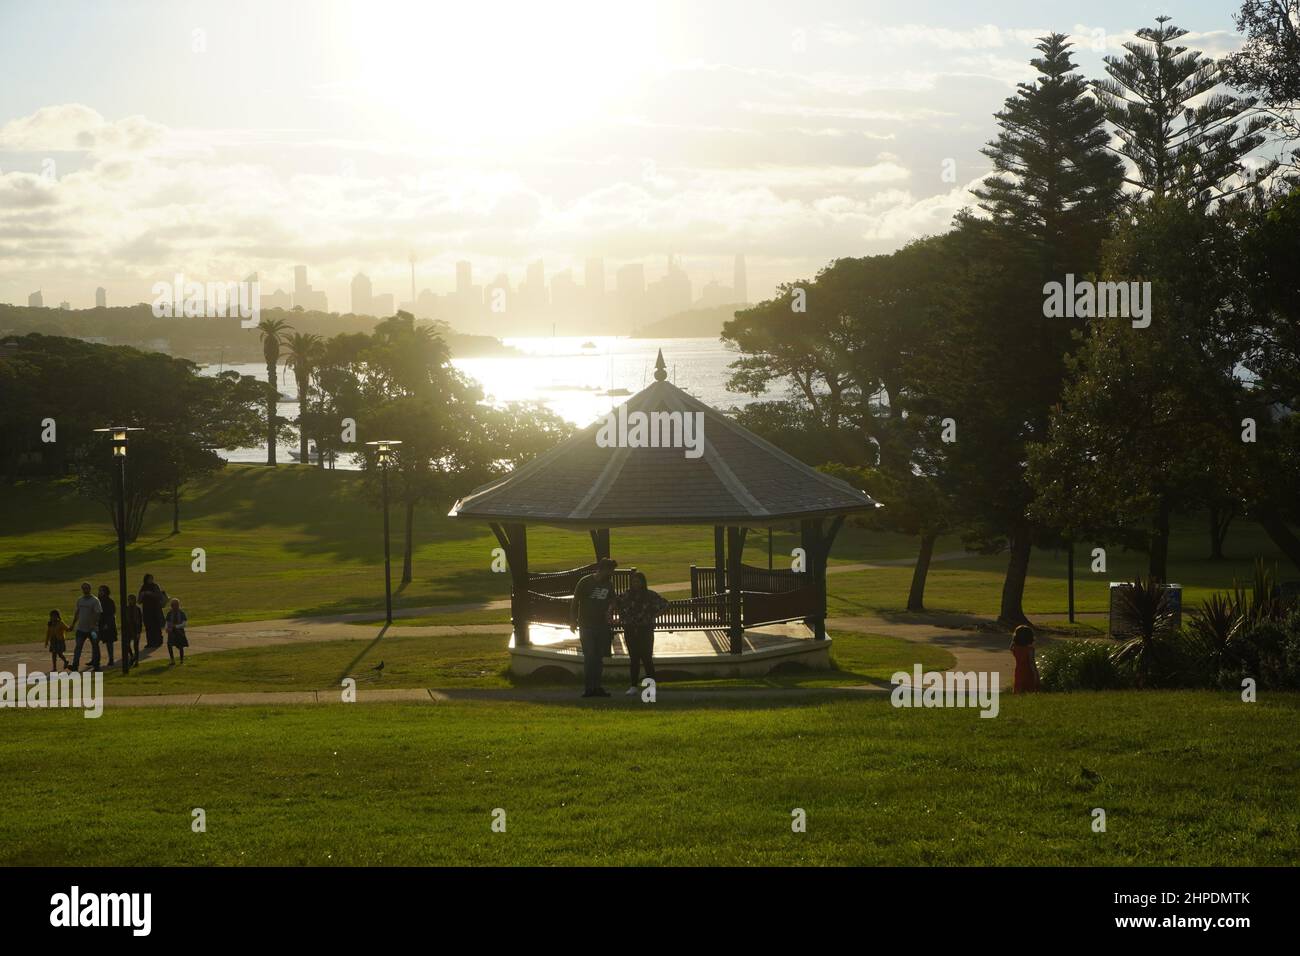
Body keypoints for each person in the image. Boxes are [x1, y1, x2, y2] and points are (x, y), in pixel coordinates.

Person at [570, 558, 617, 698]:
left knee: (598, 658)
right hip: (587, 626)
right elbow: (575, 601)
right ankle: (588, 688)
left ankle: (597, 687)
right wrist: (573, 620)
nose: (611, 573)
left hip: (602, 626)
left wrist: (610, 608)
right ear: (602, 569)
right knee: (590, 657)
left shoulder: (608, 584)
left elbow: (613, 599)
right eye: (610, 570)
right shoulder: (585, 582)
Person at [616, 571, 668, 695]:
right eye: (633, 581)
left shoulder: (650, 595)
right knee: (634, 658)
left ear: (643, 583)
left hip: (645, 629)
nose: (635, 584)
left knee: (646, 658)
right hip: (630, 629)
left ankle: (651, 686)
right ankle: (633, 686)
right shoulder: (626, 595)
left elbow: (665, 604)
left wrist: (654, 616)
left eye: (638, 581)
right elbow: (615, 604)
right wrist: (621, 617)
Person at [71, 582, 102, 672]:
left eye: (87, 588)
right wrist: (73, 624)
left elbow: (98, 613)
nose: (85, 590)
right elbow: (77, 613)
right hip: (81, 629)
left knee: (95, 646)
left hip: (93, 630)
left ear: (90, 589)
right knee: (78, 647)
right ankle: (75, 666)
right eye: (83, 588)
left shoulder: (95, 600)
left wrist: (93, 624)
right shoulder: (80, 600)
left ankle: (96, 665)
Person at [1011, 624, 1040, 693]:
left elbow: (1012, 645)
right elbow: (1031, 663)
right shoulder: (1030, 649)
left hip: (1018, 670)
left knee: (1019, 687)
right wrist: (1036, 675)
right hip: (1028, 671)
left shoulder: (1015, 648)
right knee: (1029, 688)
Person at [139, 574, 164, 649]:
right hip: (146, 609)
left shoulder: (155, 586)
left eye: (151, 579)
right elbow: (139, 600)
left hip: (155, 609)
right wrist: (143, 594)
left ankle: (158, 641)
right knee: (148, 626)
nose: (151, 580)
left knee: (156, 625)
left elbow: (159, 596)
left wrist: (151, 594)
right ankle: (150, 642)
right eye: (149, 579)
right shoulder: (143, 587)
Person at [97, 585, 117, 668]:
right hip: (98, 624)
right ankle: (96, 659)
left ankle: (111, 658)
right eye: (99, 590)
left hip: (108, 625)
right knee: (95, 641)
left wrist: (107, 624)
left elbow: (111, 614)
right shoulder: (97, 601)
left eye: (102, 591)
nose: (100, 592)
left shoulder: (109, 601)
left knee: (109, 643)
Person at [165, 597, 189, 664]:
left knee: (180, 646)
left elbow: (184, 624)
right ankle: (172, 660)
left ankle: (181, 660)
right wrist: (167, 628)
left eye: (176, 604)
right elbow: (167, 622)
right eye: (173, 605)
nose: (174, 606)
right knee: (169, 645)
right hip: (171, 632)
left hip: (180, 632)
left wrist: (176, 626)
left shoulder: (181, 613)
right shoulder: (169, 613)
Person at [126, 593, 144, 665]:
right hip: (128, 628)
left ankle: (136, 660)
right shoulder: (126, 608)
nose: (130, 601)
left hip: (135, 628)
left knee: (135, 645)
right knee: (127, 644)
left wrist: (139, 632)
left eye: (131, 599)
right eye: (129, 599)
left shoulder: (137, 609)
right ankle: (132, 656)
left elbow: (140, 621)